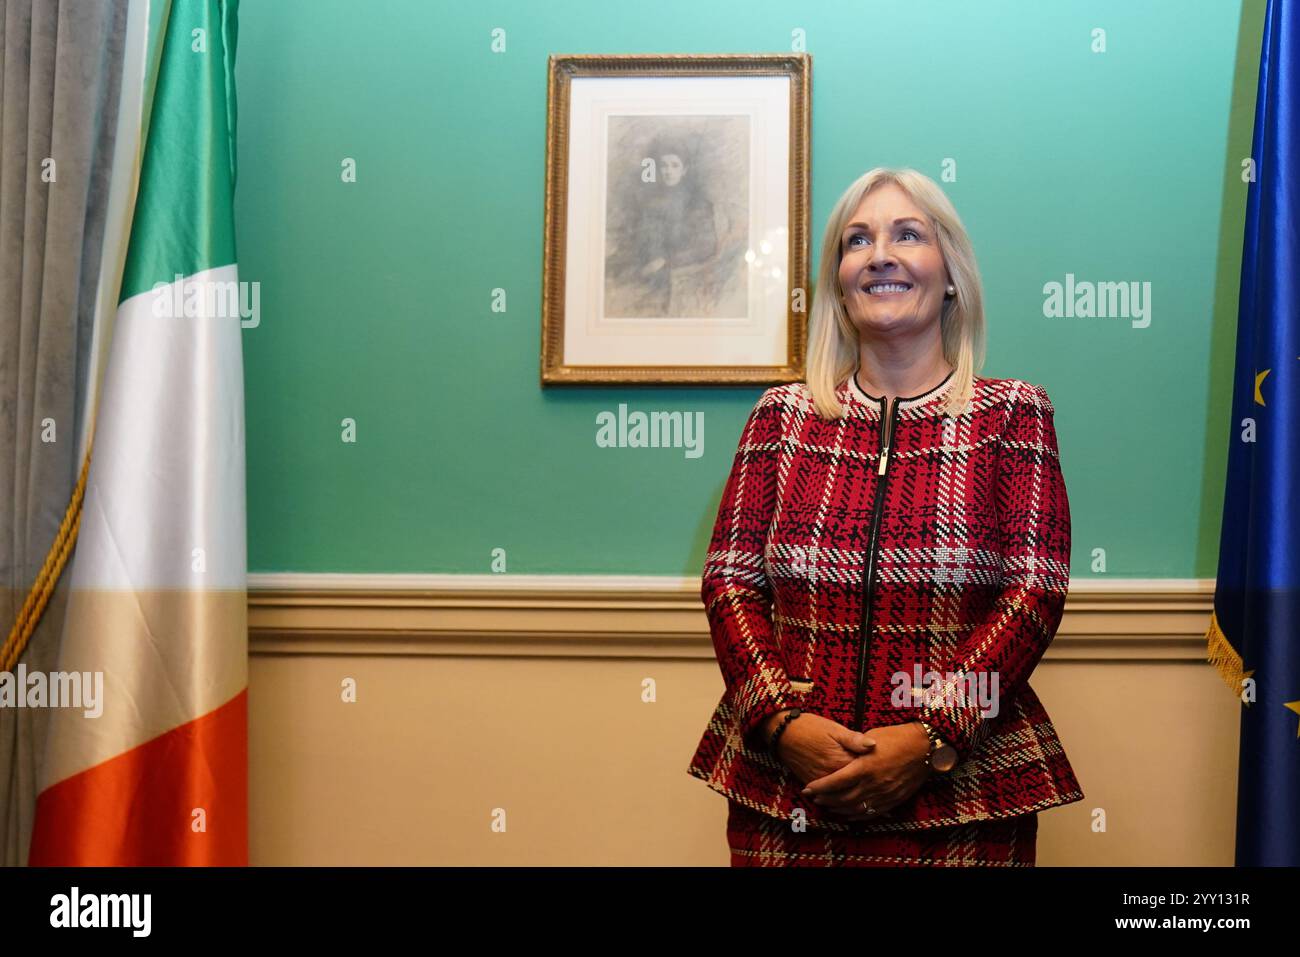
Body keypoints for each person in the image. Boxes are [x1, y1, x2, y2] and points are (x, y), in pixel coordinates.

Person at [686, 167, 1083, 866]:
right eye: (856, 240)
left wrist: (932, 737)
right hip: (791, 793)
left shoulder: (1012, 413)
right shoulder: (780, 419)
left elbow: (1034, 595)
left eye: (908, 234)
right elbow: (730, 586)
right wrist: (781, 723)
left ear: (951, 272)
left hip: (960, 797)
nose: (880, 255)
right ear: (840, 281)